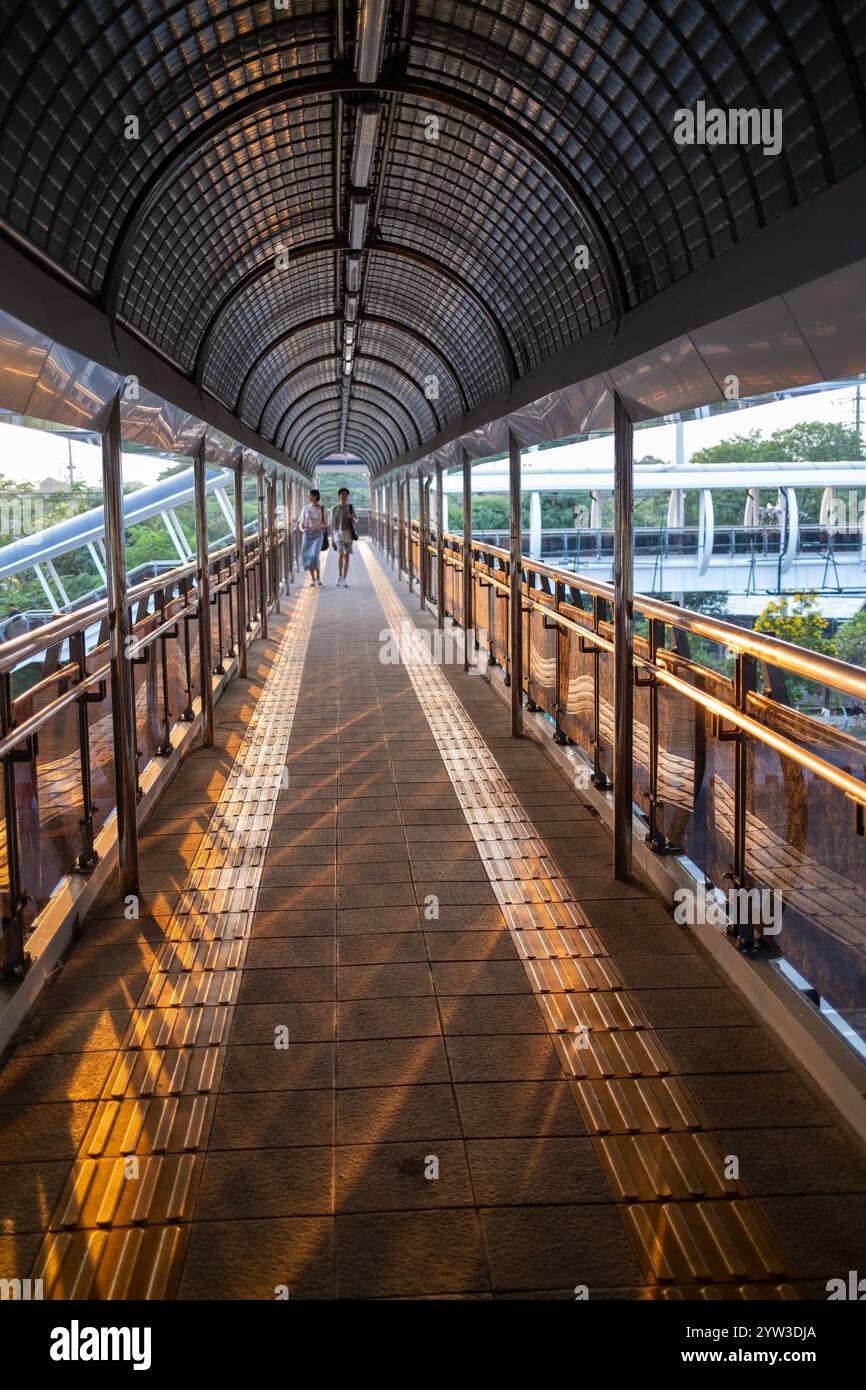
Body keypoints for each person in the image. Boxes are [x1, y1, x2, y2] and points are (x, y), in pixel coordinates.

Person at [299, 488, 328, 587]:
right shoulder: (305, 508)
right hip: (307, 534)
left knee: (314, 556)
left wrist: (319, 526)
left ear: (315, 496)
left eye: (310, 495)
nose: (309, 497)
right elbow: (301, 523)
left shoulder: (322, 508)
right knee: (307, 556)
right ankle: (313, 579)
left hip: (318, 534)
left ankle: (319, 577)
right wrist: (302, 530)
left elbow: (326, 524)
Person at [330, 487, 357, 588]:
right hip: (338, 533)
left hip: (348, 534)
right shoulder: (334, 508)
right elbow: (332, 524)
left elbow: (356, 520)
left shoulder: (350, 507)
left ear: (348, 496)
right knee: (341, 553)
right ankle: (340, 575)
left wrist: (352, 518)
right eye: (342, 494)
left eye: (346, 494)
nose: (344, 496)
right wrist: (332, 538)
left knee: (347, 555)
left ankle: (344, 579)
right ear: (339, 496)